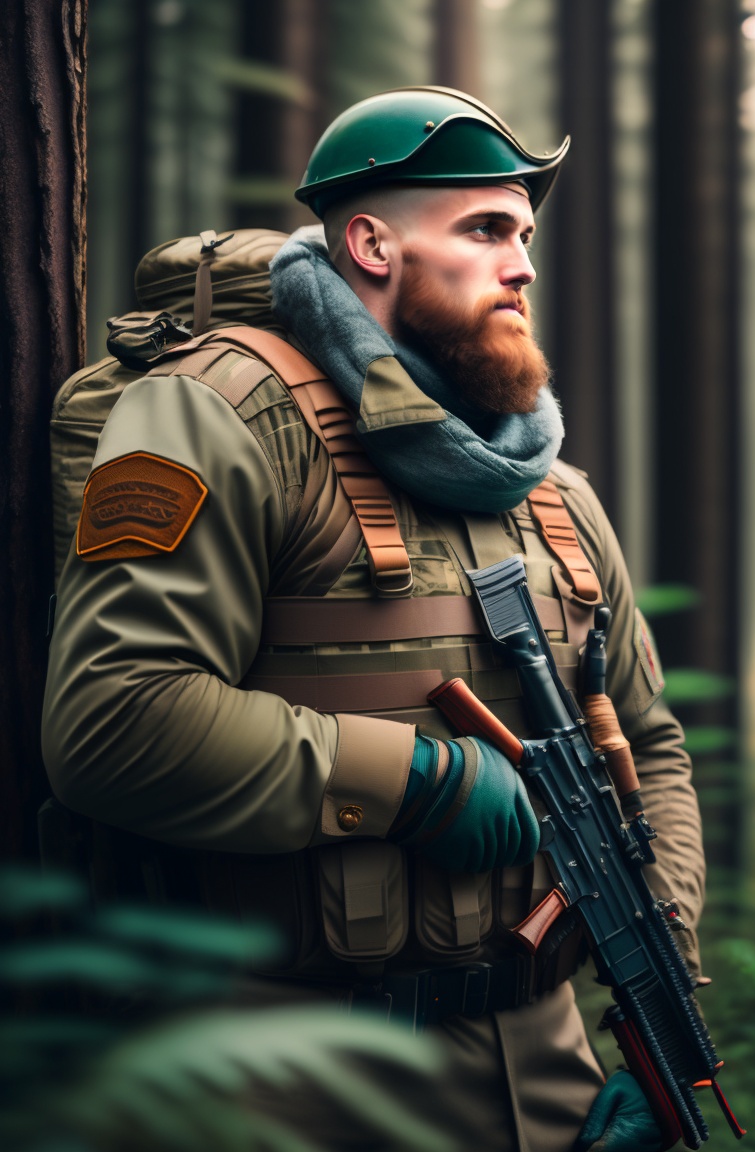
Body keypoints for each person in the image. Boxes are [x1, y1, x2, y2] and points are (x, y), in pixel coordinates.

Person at [41, 86, 704, 1152]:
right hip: (287, 1080)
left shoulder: (550, 489)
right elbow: (116, 720)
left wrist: (650, 967)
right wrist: (417, 782)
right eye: (485, 229)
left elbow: (652, 749)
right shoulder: (219, 414)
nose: (523, 264)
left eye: (524, 234)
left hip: (547, 1072)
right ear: (371, 243)